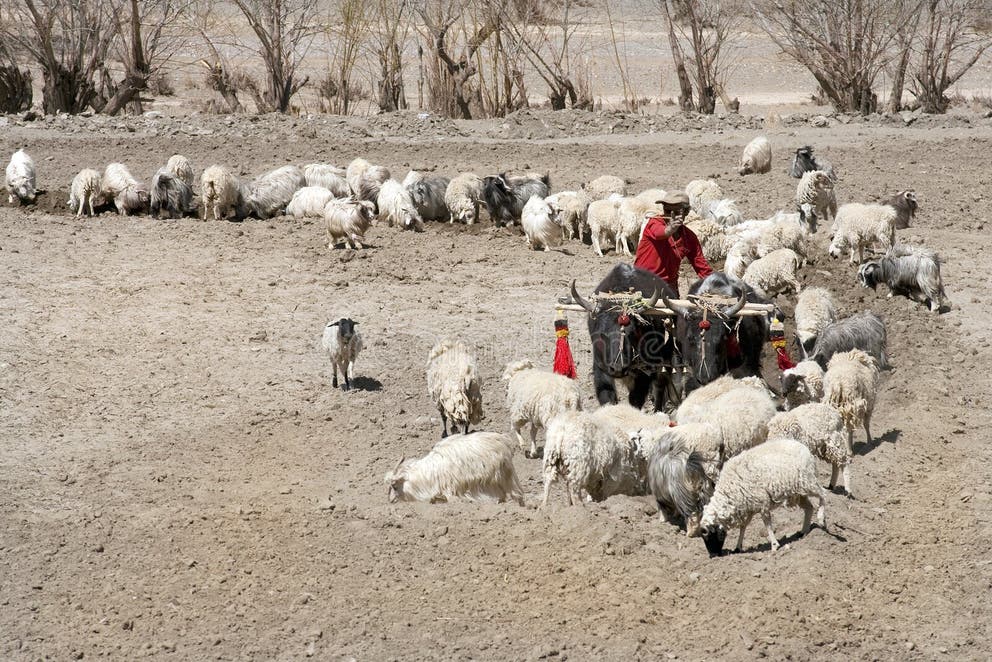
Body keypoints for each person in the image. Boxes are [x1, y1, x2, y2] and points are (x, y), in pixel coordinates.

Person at [633, 191, 713, 295]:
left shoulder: (689, 237)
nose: (671, 216)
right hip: (642, 284)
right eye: (667, 210)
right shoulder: (654, 223)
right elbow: (659, 233)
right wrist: (670, 229)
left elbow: (702, 267)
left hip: (668, 288)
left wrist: (718, 283)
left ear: (686, 212)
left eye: (676, 212)